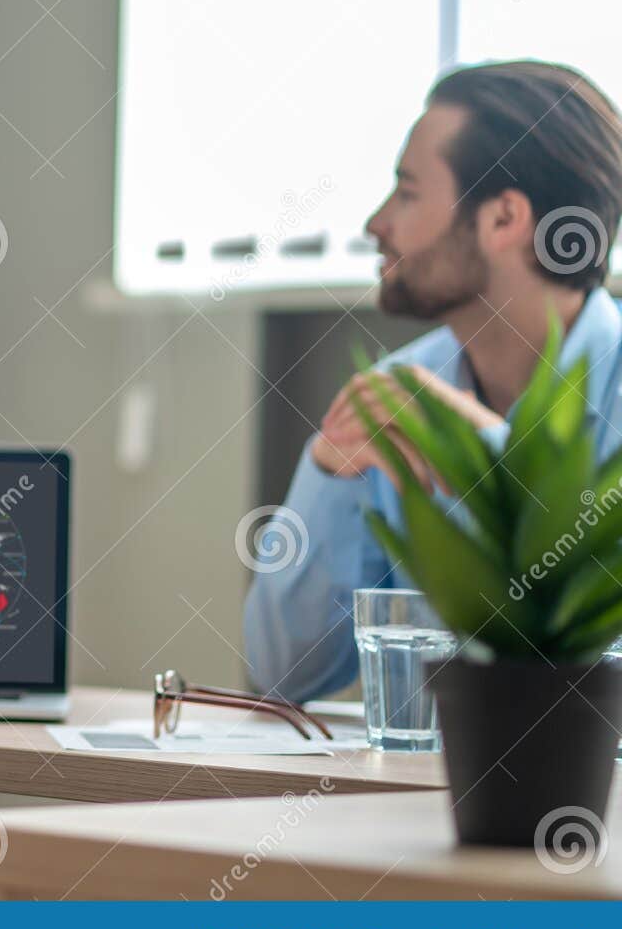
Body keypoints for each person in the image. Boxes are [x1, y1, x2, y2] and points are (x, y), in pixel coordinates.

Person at [244, 60, 622, 703]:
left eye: (409, 192)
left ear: (503, 219)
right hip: (414, 801)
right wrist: (326, 477)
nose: (376, 224)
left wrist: (491, 456)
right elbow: (284, 674)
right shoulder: (390, 401)